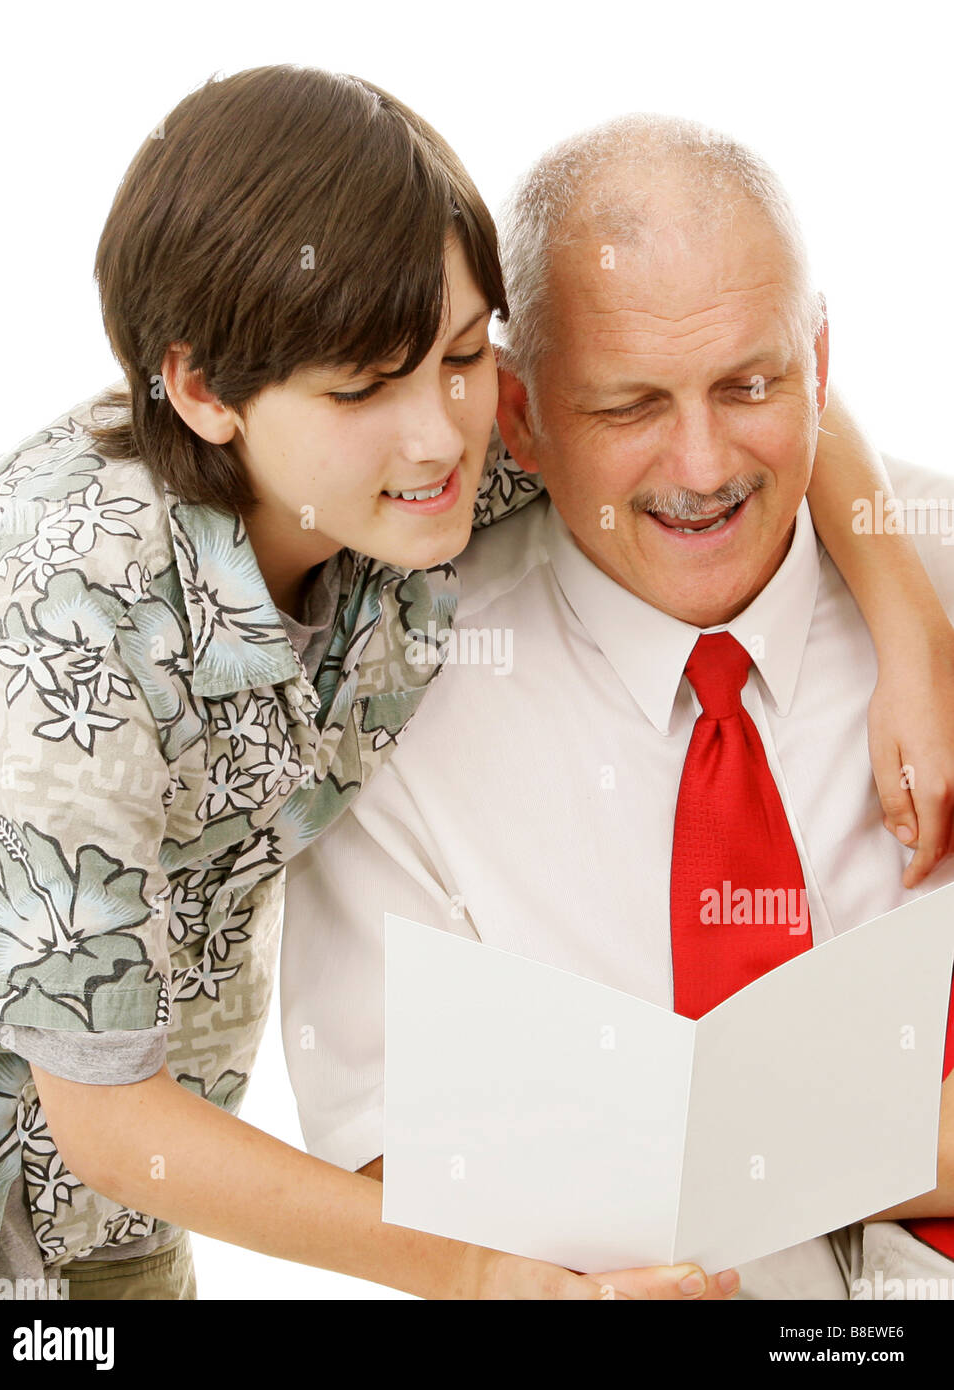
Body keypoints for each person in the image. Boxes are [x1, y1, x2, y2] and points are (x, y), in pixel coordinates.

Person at [0, 69, 948, 1304]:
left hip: (122, 1236)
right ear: (207, 392)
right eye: (363, 387)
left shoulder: (431, 467)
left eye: (461, 356)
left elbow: (725, 358)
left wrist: (912, 626)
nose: (438, 433)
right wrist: (490, 1275)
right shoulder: (61, 623)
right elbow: (110, 1120)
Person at [281, 112, 954, 1300]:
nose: (701, 468)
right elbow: (391, 1134)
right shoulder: (393, 699)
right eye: (630, 407)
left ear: (821, 368)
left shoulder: (932, 575)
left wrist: (659, 1150)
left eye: (748, 385)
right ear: (522, 417)